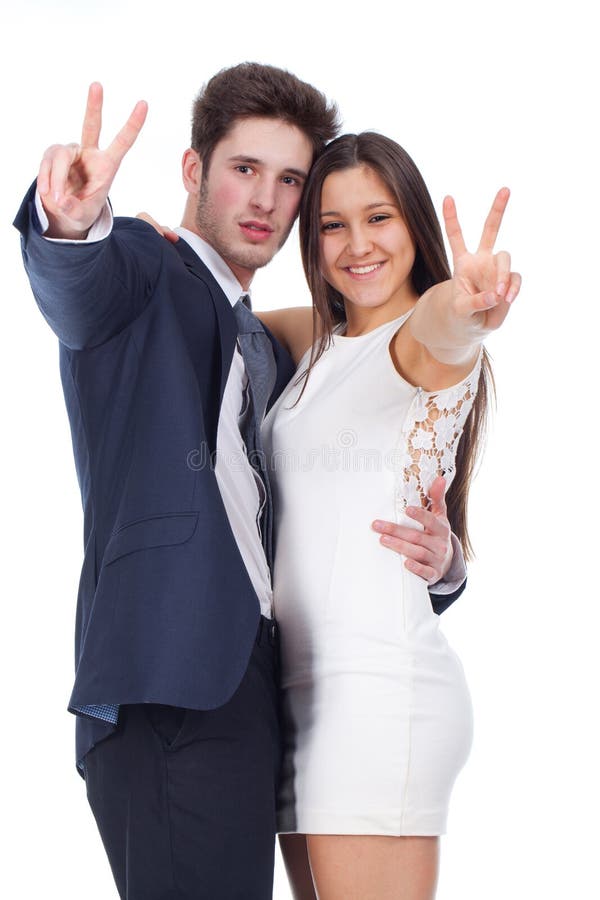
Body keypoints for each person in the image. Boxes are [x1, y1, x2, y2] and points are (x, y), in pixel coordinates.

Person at [13, 66, 466, 900]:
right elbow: (82, 292)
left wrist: (445, 563)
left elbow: (350, 473)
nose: (265, 198)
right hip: (169, 684)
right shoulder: (145, 271)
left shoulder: (278, 348)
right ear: (195, 172)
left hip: (264, 688)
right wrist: (68, 228)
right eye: (244, 168)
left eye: (289, 179)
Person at [258, 133, 521, 899]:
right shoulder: (321, 342)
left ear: (414, 225)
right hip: (302, 701)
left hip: (377, 692)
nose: (357, 244)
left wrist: (470, 305)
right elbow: (224, 307)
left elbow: (445, 323)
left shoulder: (420, 347)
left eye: (379, 218)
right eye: (333, 225)